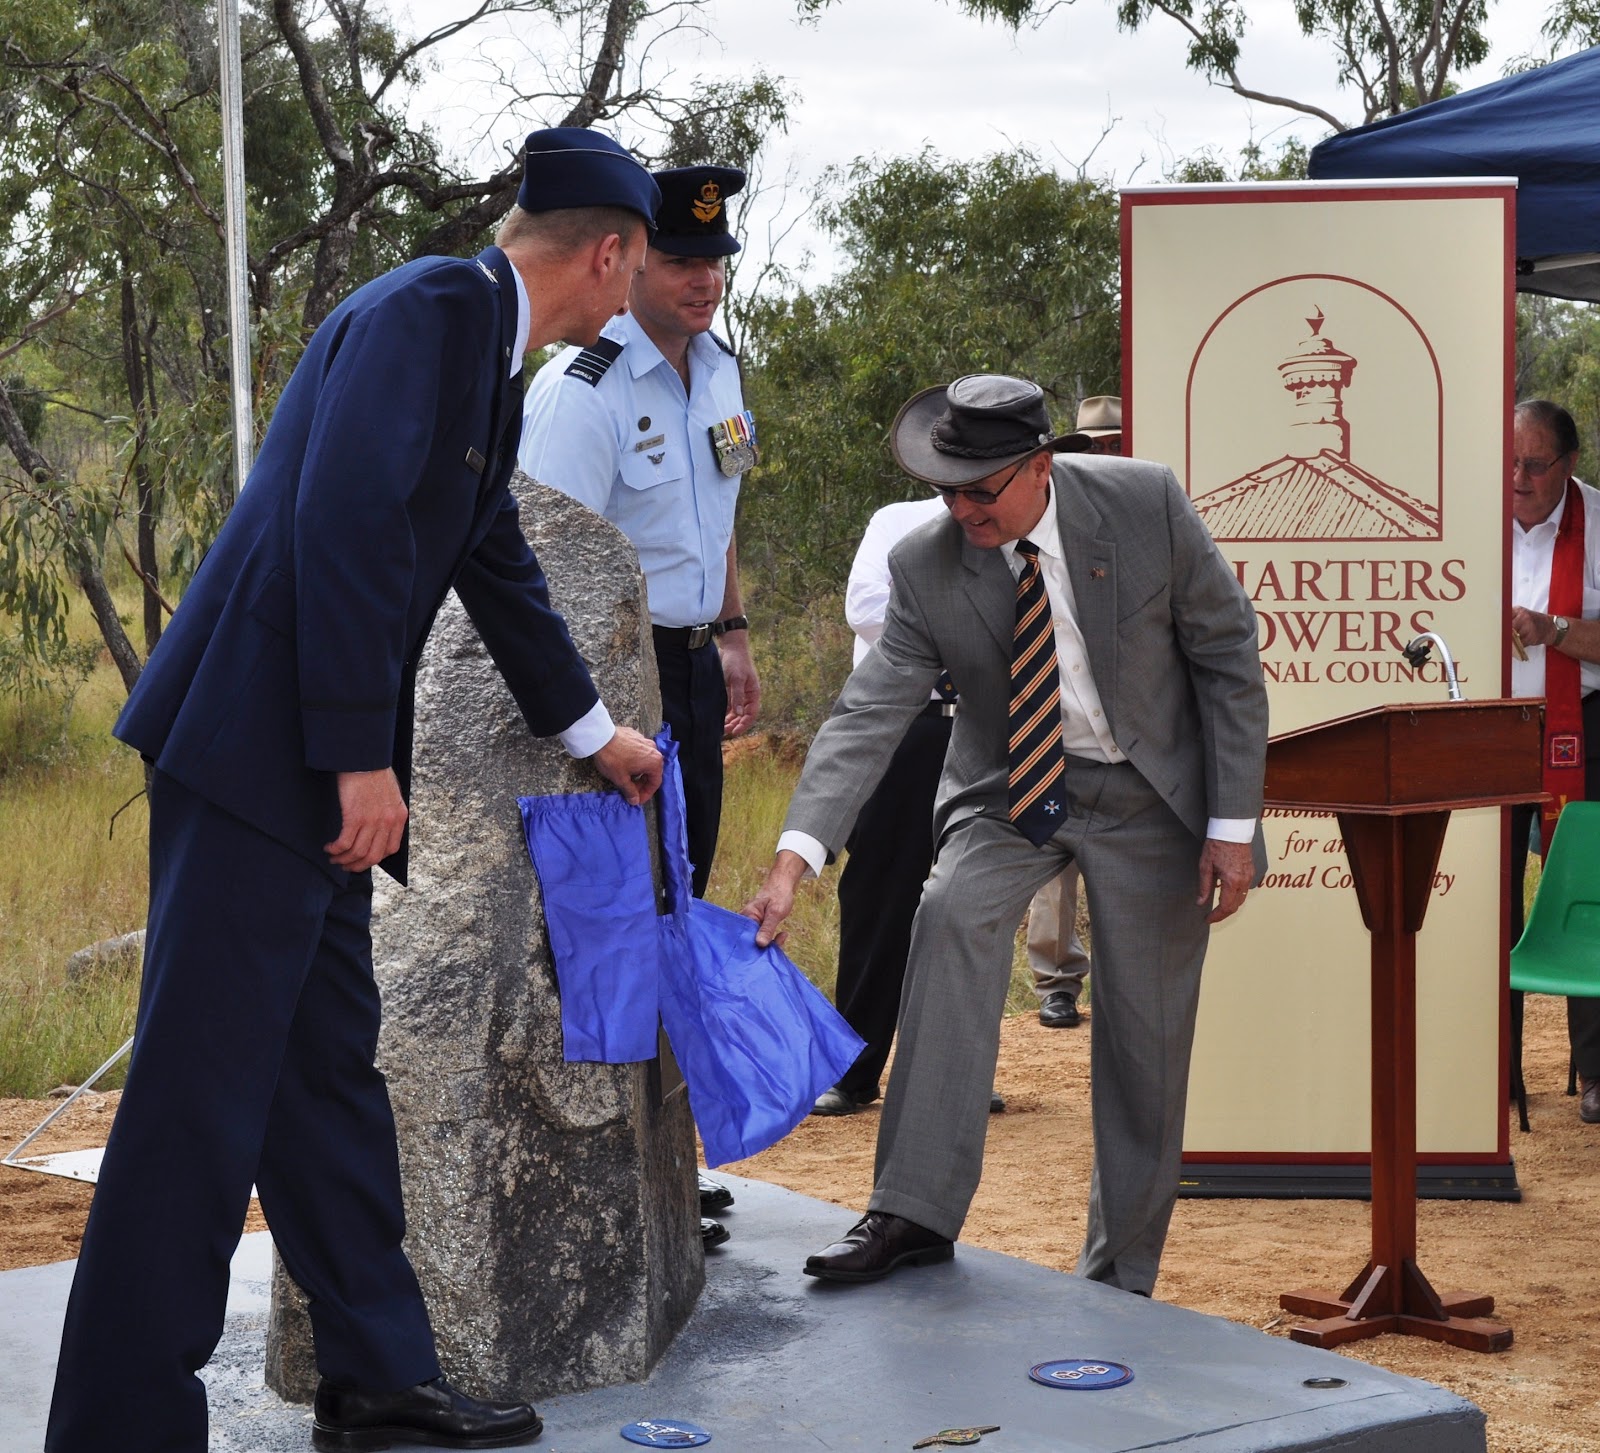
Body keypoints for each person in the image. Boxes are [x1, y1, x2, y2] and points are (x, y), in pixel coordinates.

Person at [45, 129, 667, 1453]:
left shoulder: (483, 348)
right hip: (258, 758)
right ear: (608, 251)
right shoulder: (433, 309)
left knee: (324, 1079)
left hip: (290, 766)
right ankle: (119, 1426)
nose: (640, 287)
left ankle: (380, 1374)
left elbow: (484, 545)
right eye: (642, 260)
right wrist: (359, 755)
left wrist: (592, 726)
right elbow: (339, 522)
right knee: (195, 1114)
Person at [742, 373, 1268, 1296]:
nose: (960, 508)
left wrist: (1230, 825)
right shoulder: (926, 564)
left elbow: (1227, 655)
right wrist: (797, 855)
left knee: (1142, 1034)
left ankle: (1119, 1272)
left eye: (981, 489)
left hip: (1151, 789)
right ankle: (911, 1210)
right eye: (947, 487)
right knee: (946, 912)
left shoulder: (1146, 505)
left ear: (1039, 468)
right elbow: (868, 712)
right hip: (1010, 783)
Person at [520, 162, 759, 903]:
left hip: (697, 665)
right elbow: (543, 569)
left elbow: (714, 516)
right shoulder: (584, 389)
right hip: (617, 669)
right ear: (631, 258)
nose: (706, 282)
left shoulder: (721, 373)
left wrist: (734, 633)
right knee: (620, 898)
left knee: (689, 879)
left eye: (715, 262)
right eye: (684, 261)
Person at [816, 496, 1002, 1117]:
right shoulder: (893, 521)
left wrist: (933, 612)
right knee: (880, 894)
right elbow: (866, 607)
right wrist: (966, 623)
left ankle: (959, 1075)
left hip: (987, 723)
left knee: (972, 899)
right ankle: (855, 1071)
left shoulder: (1016, 524)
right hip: (906, 724)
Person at [1507, 398, 1600, 1123]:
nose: (1518, 477)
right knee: (1490, 898)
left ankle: (1596, 1071)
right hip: (1488, 731)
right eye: (1509, 460)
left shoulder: (1599, 519)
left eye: (1534, 465)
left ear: (1569, 464)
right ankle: (1491, 1069)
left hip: (1587, 730)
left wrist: (1556, 630)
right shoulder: (1471, 518)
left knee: (1585, 899)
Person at [1029, 397, 1120, 1030]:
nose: (1105, 456)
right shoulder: (1045, 519)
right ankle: (1057, 982)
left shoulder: (1149, 512)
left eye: (1114, 443)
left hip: (1130, 733)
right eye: (1093, 447)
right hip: (1051, 713)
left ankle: (1126, 984)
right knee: (1052, 853)